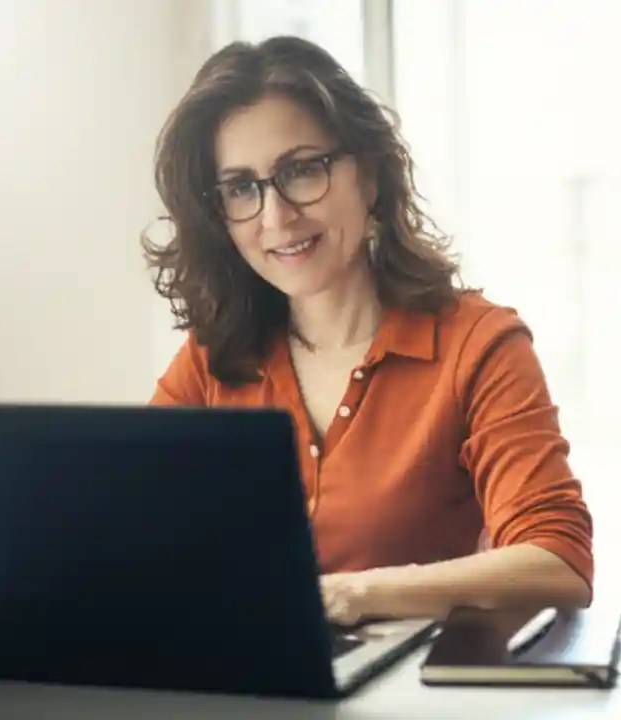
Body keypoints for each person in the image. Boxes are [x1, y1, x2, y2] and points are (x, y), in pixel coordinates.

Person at [144, 36, 592, 625]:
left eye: (302, 171)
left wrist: (357, 595)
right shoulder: (211, 361)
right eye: (241, 188)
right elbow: (139, 536)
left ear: (370, 176)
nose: (276, 217)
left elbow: (557, 562)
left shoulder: (479, 346)